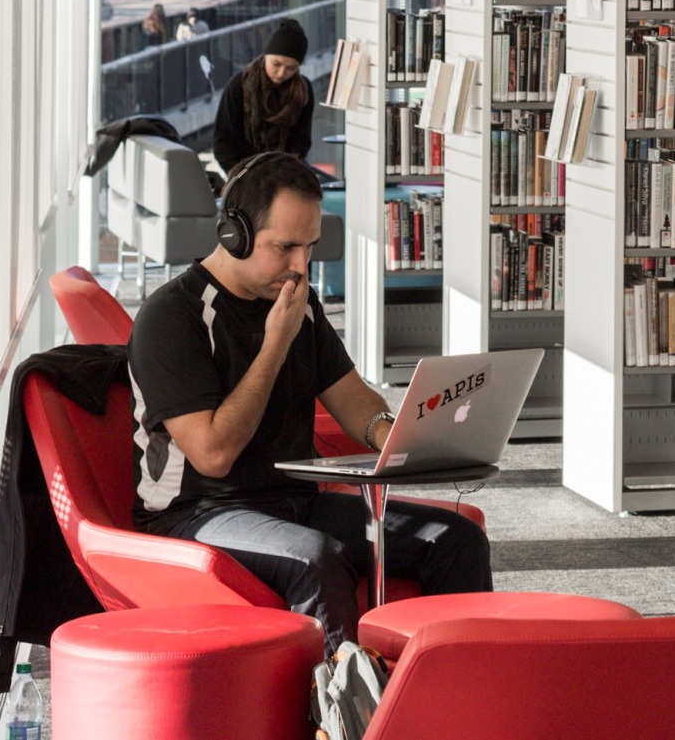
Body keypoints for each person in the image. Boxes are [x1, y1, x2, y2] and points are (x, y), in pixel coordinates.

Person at [127, 153, 491, 643]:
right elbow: (212, 455)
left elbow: (349, 396)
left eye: (311, 247)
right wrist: (276, 343)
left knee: (455, 540)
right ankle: (344, 718)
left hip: (296, 504)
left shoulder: (298, 298)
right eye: (286, 247)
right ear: (234, 234)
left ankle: (451, 703)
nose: (301, 266)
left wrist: (402, 438)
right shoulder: (172, 317)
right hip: (197, 514)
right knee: (315, 557)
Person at [211, 16, 313, 172]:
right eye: (276, 64)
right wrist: (241, 176)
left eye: (291, 68)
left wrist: (284, 172)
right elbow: (222, 141)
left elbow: (301, 141)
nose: (281, 73)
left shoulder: (303, 91)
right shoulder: (239, 86)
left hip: (284, 174)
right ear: (266, 56)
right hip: (243, 174)